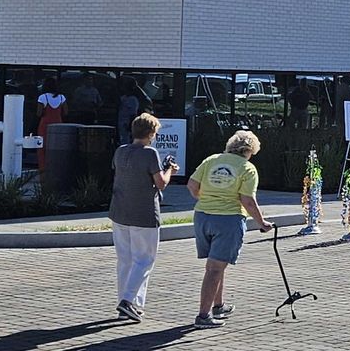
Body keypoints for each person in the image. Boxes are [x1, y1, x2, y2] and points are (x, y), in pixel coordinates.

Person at [187, 130, 272, 329]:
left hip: (202, 217)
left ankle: (218, 305)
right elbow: (247, 200)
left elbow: (191, 185)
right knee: (215, 268)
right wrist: (261, 222)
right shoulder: (247, 168)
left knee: (216, 264)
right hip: (228, 219)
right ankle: (203, 315)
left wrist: (206, 199)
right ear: (250, 150)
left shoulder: (211, 160)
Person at [110, 113, 177, 322]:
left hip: (119, 211)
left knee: (125, 260)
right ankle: (128, 300)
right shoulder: (150, 153)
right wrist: (169, 170)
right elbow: (161, 183)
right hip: (144, 213)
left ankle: (130, 304)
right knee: (144, 260)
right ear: (150, 134)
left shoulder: (121, 151)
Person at [35, 78, 66, 171]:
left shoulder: (42, 97)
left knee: (42, 148)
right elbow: (66, 112)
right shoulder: (62, 97)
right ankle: (55, 167)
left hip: (45, 125)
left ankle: (43, 168)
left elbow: (39, 113)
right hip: (58, 125)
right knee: (56, 147)